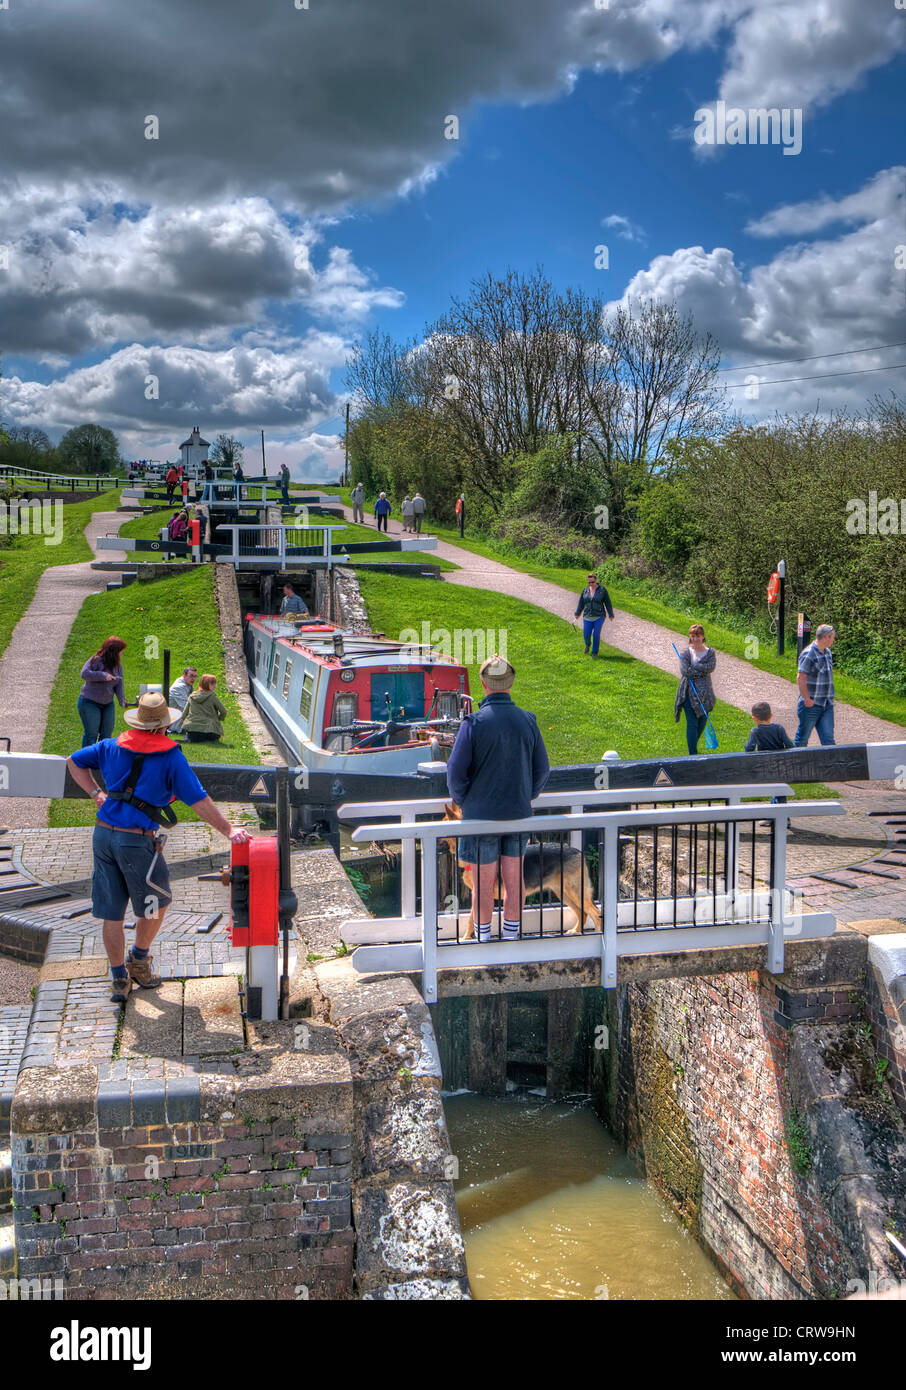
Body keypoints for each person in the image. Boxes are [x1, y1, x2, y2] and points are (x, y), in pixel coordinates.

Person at [66, 691, 250, 1003]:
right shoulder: (170, 757)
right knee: (155, 903)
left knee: (112, 914)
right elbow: (198, 800)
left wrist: (96, 792)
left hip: (103, 837)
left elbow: (73, 761)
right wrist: (229, 829)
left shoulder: (111, 746)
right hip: (137, 842)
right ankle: (139, 961)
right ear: (164, 727)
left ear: (137, 722)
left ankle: (118, 980)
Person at [446, 654, 551, 943]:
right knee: (514, 881)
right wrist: (525, 796)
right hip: (517, 814)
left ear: (483, 683)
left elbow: (454, 774)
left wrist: (466, 802)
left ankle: (483, 939)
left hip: (480, 819)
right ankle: (512, 937)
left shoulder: (474, 723)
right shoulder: (528, 721)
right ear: (511, 682)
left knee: (482, 885)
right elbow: (542, 770)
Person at [673, 625, 717, 755]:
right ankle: (693, 754)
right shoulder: (686, 653)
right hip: (688, 693)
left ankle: (692, 746)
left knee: (702, 723)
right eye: (692, 636)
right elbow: (685, 671)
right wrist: (702, 670)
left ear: (703, 636)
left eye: (697, 636)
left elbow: (711, 667)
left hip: (706, 695)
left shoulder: (710, 652)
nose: (695, 638)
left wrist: (696, 666)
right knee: (692, 724)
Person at [79, 637, 127, 746]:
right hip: (89, 702)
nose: (122, 653)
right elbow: (84, 673)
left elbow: (119, 683)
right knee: (91, 734)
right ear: (114, 651)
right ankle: (86, 761)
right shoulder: (96, 660)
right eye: (121, 650)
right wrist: (103, 676)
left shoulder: (118, 665)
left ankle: (102, 760)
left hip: (107, 704)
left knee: (106, 735)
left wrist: (121, 699)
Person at [794, 624, 836, 746]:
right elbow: (800, 677)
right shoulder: (809, 653)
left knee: (828, 740)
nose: (833, 640)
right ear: (826, 637)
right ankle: (797, 762)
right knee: (802, 739)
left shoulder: (827, 652)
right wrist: (806, 699)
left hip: (826, 704)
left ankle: (830, 764)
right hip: (811, 705)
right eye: (832, 637)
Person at [745, 701, 793, 805]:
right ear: (771, 715)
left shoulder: (756, 731)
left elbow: (749, 748)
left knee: (776, 789)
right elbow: (790, 745)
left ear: (754, 718)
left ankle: (777, 814)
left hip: (765, 765)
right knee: (779, 788)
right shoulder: (779, 728)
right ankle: (780, 813)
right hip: (780, 765)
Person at [573, 572, 615, 657]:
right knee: (586, 635)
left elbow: (608, 603)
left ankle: (594, 652)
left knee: (596, 634)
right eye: (589, 582)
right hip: (587, 616)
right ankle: (588, 645)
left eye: (592, 582)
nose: (591, 584)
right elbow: (581, 602)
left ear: (596, 580)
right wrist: (577, 613)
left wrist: (611, 614)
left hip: (599, 616)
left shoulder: (602, 590)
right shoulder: (585, 590)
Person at [181, 674, 227, 742]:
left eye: (215, 683)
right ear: (206, 684)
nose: (215, 686)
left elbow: (184, 714)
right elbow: (223, 711)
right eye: (212, 683)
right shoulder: (212, 697)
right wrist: (219, 718)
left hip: (193, 731)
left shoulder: (192, 696)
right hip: (209, 731)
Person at [167, 666, 197, 734]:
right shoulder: (179, 687)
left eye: (195, 676)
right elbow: (187, 706)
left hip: (177, 712)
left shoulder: (187, 683)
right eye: (191, 676)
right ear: (184, 675)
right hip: (173, 718)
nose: (193, 679)